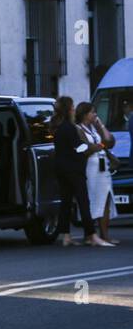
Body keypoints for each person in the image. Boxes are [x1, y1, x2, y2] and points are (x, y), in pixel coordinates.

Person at [50, 96, 100, 247]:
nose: (73, 109)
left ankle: (66, 236)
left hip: (61, 168)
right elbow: (78, 147)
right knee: (83, 201)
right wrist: (91, 147)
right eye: (72, 107)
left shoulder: (57, 127)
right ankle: (91, 234)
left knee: (66, 202)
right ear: (69, 110)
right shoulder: (70, 127)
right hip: (74, 169)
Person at [77, 102, 118, 247]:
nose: (95, 115)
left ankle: (105, 235)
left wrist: (100, 125)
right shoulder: (79, 129)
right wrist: (100, 146)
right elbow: (85, 149)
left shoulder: (95, 128)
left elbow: (110, 141)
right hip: (90, 168)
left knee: (106, 199)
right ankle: (89, 235)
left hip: (102, 168)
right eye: (92, 113)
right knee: (91, 200)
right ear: (84, 114)